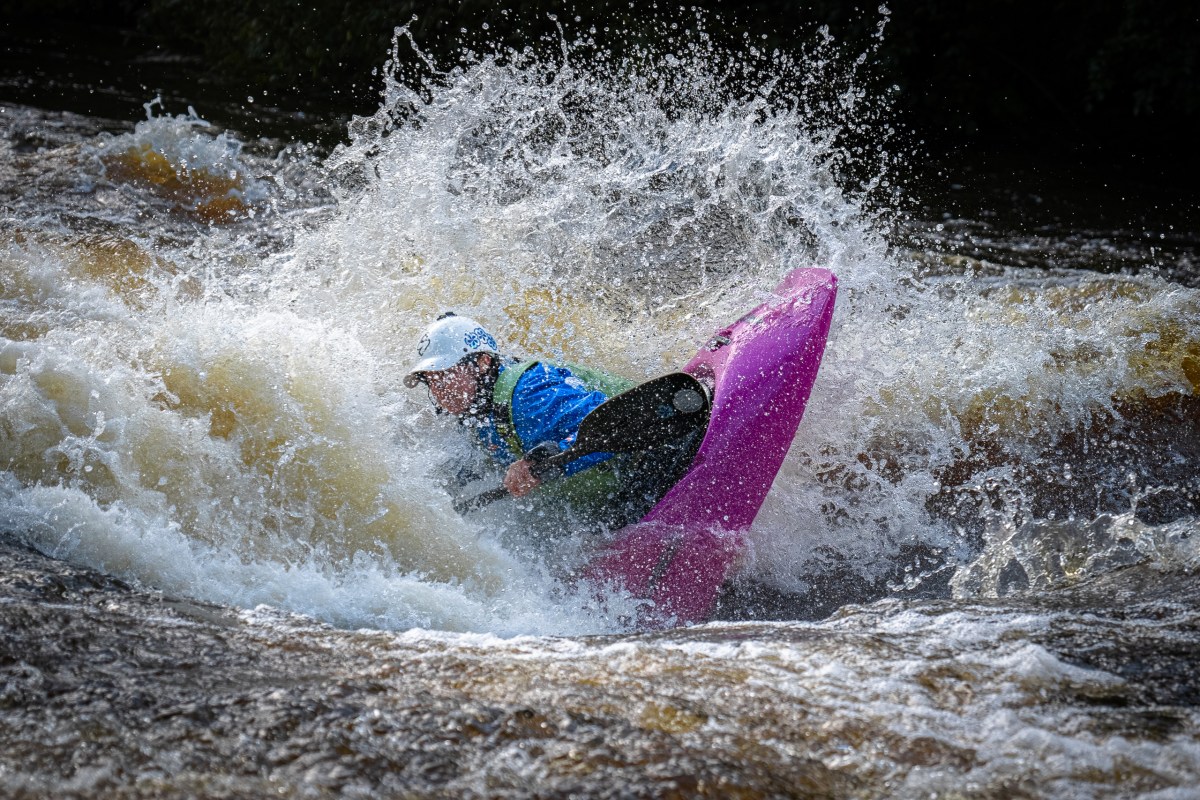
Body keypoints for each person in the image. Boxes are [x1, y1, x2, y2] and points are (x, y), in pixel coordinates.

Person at [403, 312, 697, 531]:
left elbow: (614, 424)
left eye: (445, 375)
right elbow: (467, 471)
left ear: (482, 363)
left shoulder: (528, 394)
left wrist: (540, 462)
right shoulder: (476, 417)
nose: (440, 391)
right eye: (431, 381)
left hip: (668, 450)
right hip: (622, 485)